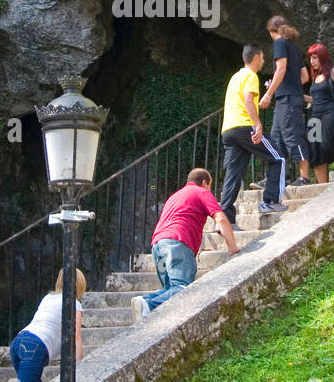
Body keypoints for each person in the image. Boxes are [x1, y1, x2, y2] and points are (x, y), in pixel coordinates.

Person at [129, 168, 239, 321]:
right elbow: (220, 219)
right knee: (182, 289)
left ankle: (150, 311)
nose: (210, 189)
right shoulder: (202, 192)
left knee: (172, 292)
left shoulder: (174, 196)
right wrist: (232, 248)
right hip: (178, 242)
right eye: (210, 185)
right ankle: (147, 302)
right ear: (204, 182)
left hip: (158, 244)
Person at [220, 45, 286, 225]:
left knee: (233, 174)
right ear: (256, 57)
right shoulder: (250, 76)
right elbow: (248, 100)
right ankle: (270, 201)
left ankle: (226, 219)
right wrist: (257, 124)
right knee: (278, 158)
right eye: (263, 58)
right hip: (244, 127)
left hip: (228, 130)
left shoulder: (235, 77)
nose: (264, 61)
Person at [259, 16, 311, 185]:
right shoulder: (294, 47)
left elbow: (281, 69)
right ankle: (277, 176)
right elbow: (304, 76)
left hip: (287, 99)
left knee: (292, 135)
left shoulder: (279, 43)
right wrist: (280, 86)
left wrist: (269, 94)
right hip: (287, 97)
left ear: (271, 31)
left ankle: (304, 176)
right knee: (276, 137)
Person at [303, 43, 334, 183]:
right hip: (315, 115)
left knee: (328, 146)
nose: (312, 61)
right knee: (314, 149)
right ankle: (322, 186)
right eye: (310, 58)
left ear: (322, 57)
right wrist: (298, 95)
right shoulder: (315, 77)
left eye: (315, 58)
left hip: (331, 113)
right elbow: (315, 99)